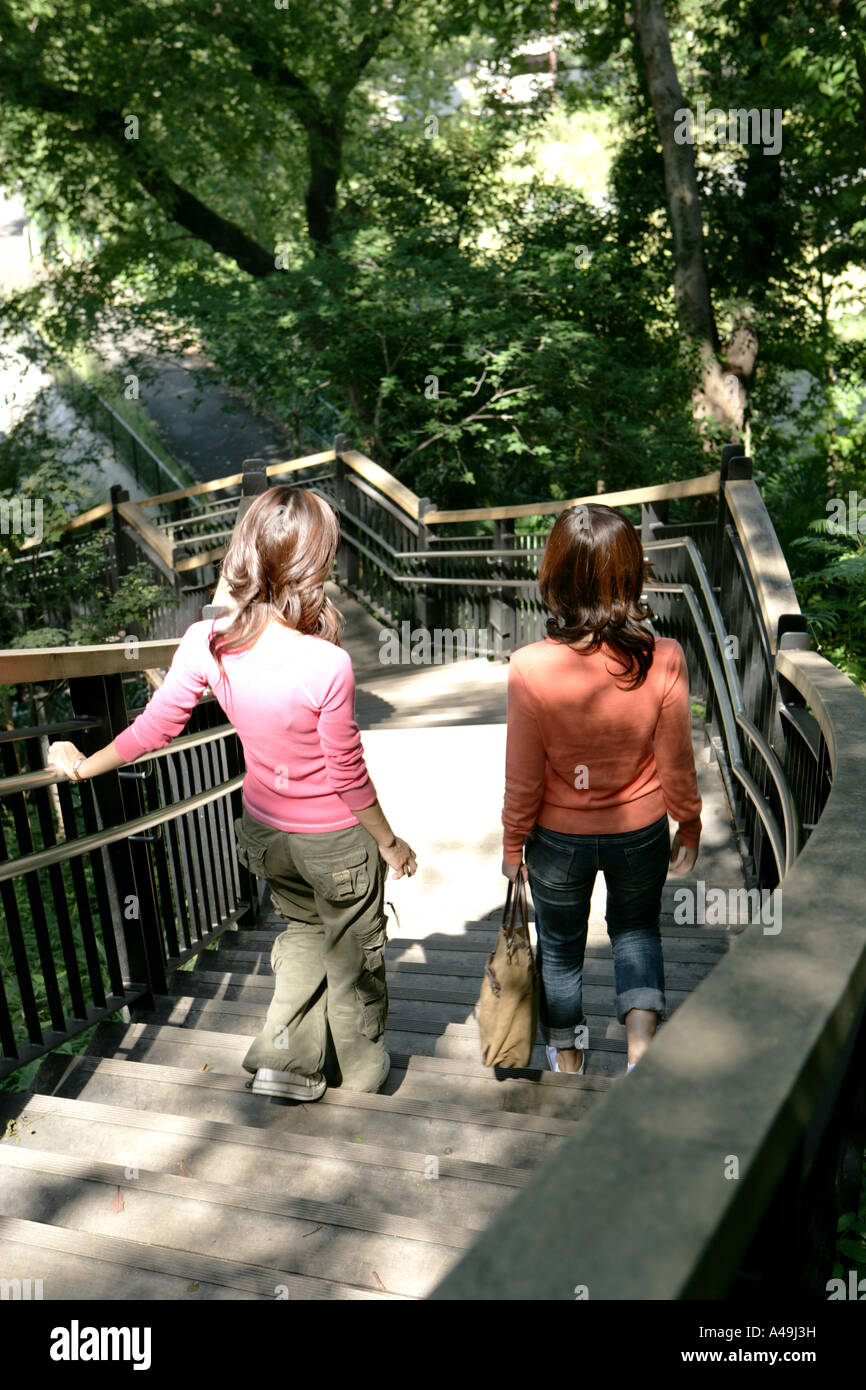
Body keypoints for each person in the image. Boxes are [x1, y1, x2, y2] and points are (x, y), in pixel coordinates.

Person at [46, 487, 416, 1102]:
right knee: (353, 952)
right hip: (334, 841)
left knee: (301, 934)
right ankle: (360, 1077)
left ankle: (284, 1060)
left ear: (244, 554)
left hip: (264, 832)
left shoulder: (205, 642)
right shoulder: (325, 663)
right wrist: (390, 841)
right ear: (314, 564)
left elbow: (153, 729)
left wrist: (85, 768)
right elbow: (346, 774)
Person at [501, 504, 701, 1077]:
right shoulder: (661, 658)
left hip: (556, 839)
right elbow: (677, 763)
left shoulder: (529, 666)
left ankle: (568, 1059)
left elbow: (524, 777)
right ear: (631, 573)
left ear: (555, 576)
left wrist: (513, 846)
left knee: (560, 947)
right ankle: (640, 1053)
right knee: (637, 929)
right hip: (639, 830)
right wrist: (687, 822)